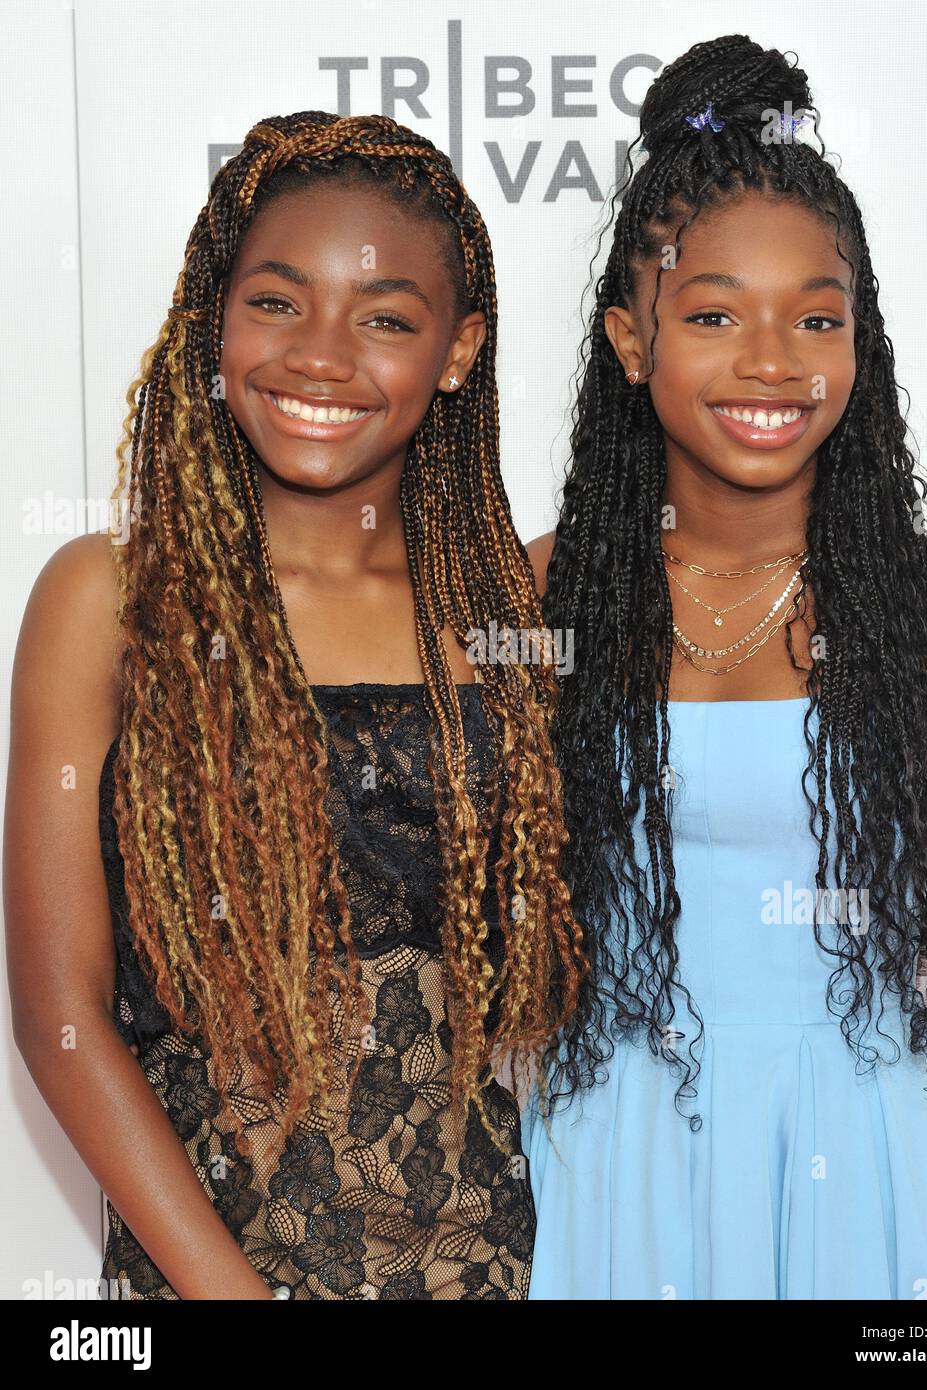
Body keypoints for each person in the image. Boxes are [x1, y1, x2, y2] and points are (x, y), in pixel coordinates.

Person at [6, 111, 584, 1300]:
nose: (320, 356)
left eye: (384, 318)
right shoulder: (108, 599)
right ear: (214, 320)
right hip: (199, 1276)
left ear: (459, 350)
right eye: (275, 301)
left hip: (484, 1267)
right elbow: (59, 1014)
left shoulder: (508, 607)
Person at [521, 36, 927, 1299]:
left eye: (816, 317)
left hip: (873, 1175)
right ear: (629, 339)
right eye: (712, 315)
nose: (772, 361)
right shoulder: (535, 598)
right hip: (618, 1171)